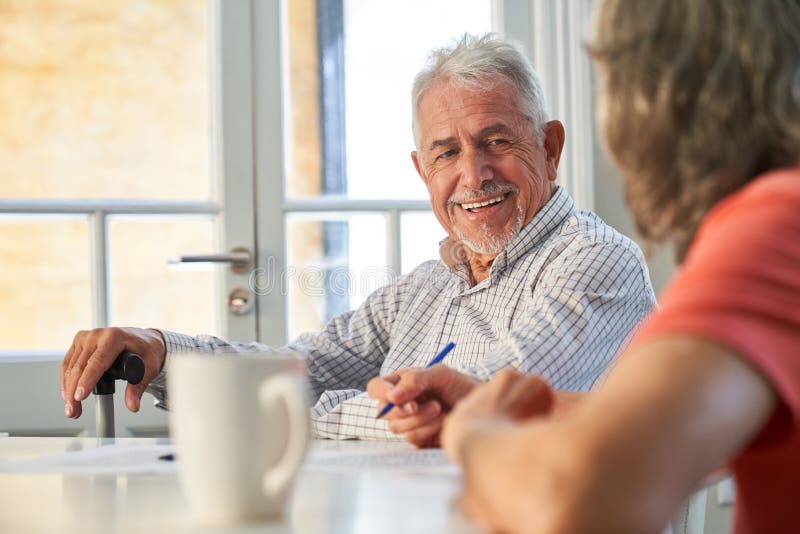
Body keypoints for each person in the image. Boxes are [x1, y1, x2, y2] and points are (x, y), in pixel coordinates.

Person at [60, 34, 655, 442]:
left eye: (497, 142)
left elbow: (485, 411)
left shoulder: (597, 260)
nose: (473, 175)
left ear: (549, 149)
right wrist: (165, 353)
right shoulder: (430, 287)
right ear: (424, 173)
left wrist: (296, 415)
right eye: (447, 152)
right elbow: (304, 367)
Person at [440, 1, 800, 533]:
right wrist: (532, 407)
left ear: (650, 98)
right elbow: (680, 421)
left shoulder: (776, 225)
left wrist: (473, 437)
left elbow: (576, 502)